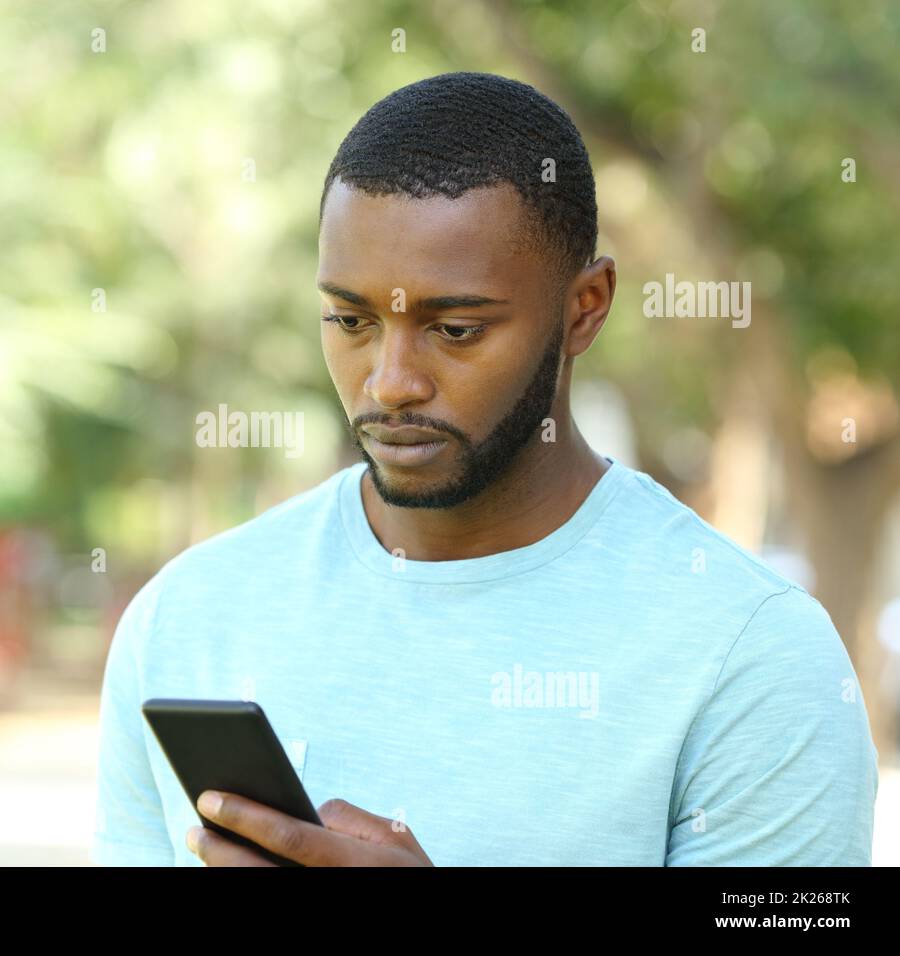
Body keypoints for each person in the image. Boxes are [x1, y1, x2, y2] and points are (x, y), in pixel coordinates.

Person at [91, 72, 879, 866]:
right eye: (350, 320)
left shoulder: (754, 657)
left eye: (456, 328)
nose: (390, 381)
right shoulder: (186, 622)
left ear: (585, 308)